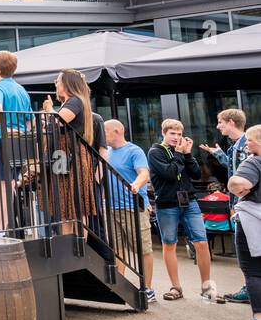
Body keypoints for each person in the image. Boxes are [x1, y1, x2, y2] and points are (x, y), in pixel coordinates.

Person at [42, 69, 107, 260]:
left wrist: (49, 111)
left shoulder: (74, 101)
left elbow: (59, 121)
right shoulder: (77, 102)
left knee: (75, 209)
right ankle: (71, 250)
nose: (56, 84)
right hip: (67, 159)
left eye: (58, 81)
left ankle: (77, 251)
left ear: (68, 84)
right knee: (67, 209)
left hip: (73, 160)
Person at [148, 118, 212, 301]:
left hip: (189, 201)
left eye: (179, 134)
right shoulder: (155, 152)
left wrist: (188, 154)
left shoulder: (181, 152)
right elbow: (169, 173)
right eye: (172, 134)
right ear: (164, 133)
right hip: (167, 205)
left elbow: (196, 174)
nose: (176, 137)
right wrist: (178, 153)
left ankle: (206, 286)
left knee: (202, 242)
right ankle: (176, 287)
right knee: (170, 244)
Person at [202, 108, 251, 305]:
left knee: (248, 250)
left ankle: (250, 289)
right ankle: (250, 287)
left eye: (220, 122)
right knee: (246, 249)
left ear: (231, 122)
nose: (217, 126)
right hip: (241, 206)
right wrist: (220, 155)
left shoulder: (247, 144)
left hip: (247, 206)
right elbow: (236, 170)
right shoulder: (233, 147)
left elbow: (247, 175)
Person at [104, 119, 155, 305]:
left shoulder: (134, 151)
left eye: (105, 131)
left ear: (117, 131)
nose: (103, 135)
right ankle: (119, 286)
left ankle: (148, 288)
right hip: (111, 207)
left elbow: (143, 173)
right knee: (118, 248)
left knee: (143, 248)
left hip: (133, 207)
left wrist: (136, 184)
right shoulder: (107, 152)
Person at [0, 50, 33, 231]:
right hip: (20, 144)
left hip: (3, 141)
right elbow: (30, 121)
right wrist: (20, 132)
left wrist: (5, 129)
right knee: (10, 186)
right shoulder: (21, 89)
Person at [225, 124, 261, 320]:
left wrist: (236, 186)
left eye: (250, 140)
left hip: (253, 223)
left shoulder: (254, 161)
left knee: (254, 271)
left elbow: (237, 182)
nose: (246, 144)